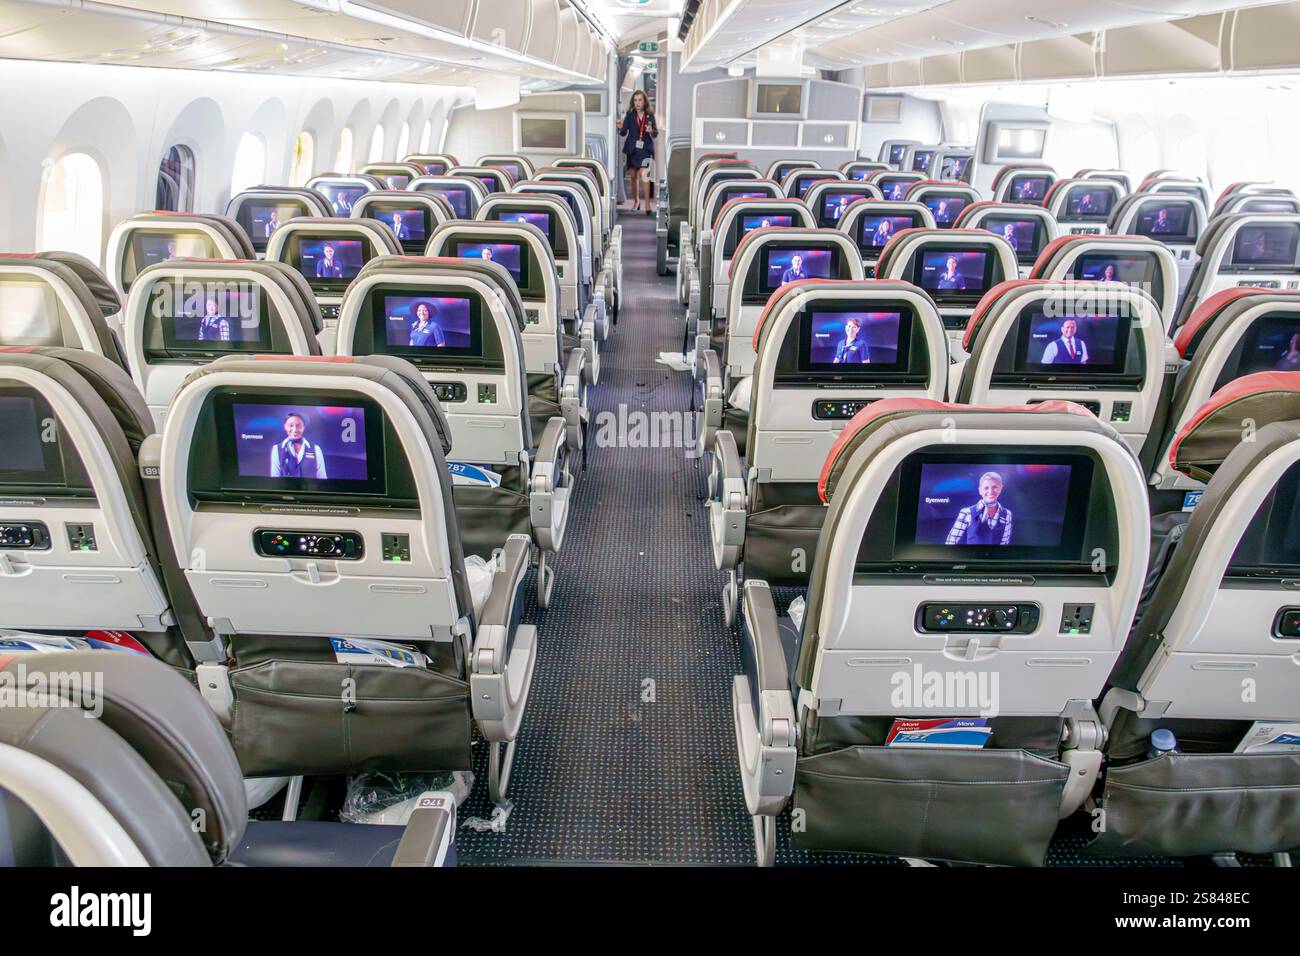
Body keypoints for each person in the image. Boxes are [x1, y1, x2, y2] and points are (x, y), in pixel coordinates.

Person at [618, 89, 658, 216]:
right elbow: (624, 132)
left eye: (640, 100)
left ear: (644, 101)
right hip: (632, 149)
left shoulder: (649, 115)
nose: (637, 103)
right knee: (634, 176)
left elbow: (655, 133)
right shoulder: (630, 115)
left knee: (644, 174)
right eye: (635, 100)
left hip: (645, 149)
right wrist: (619, 127)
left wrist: (651, 131)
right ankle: (636, 202)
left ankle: (646, 204)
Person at [946, 471, 1012, 546]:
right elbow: (951, 541)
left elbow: (1004, 544)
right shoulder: (967, 512)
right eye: (986, 488)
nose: (990, 491)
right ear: (980, 490)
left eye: (995, 487)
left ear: (1001, 488)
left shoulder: (1007, 514)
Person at [270, 412, 327, 479]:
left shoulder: (316, 449)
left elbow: (322, 478)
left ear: (304, 427)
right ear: (285, 426)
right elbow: (274, 479)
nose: (295, 429)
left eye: (299, 426)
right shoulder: (277, 449)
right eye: (291, 425)